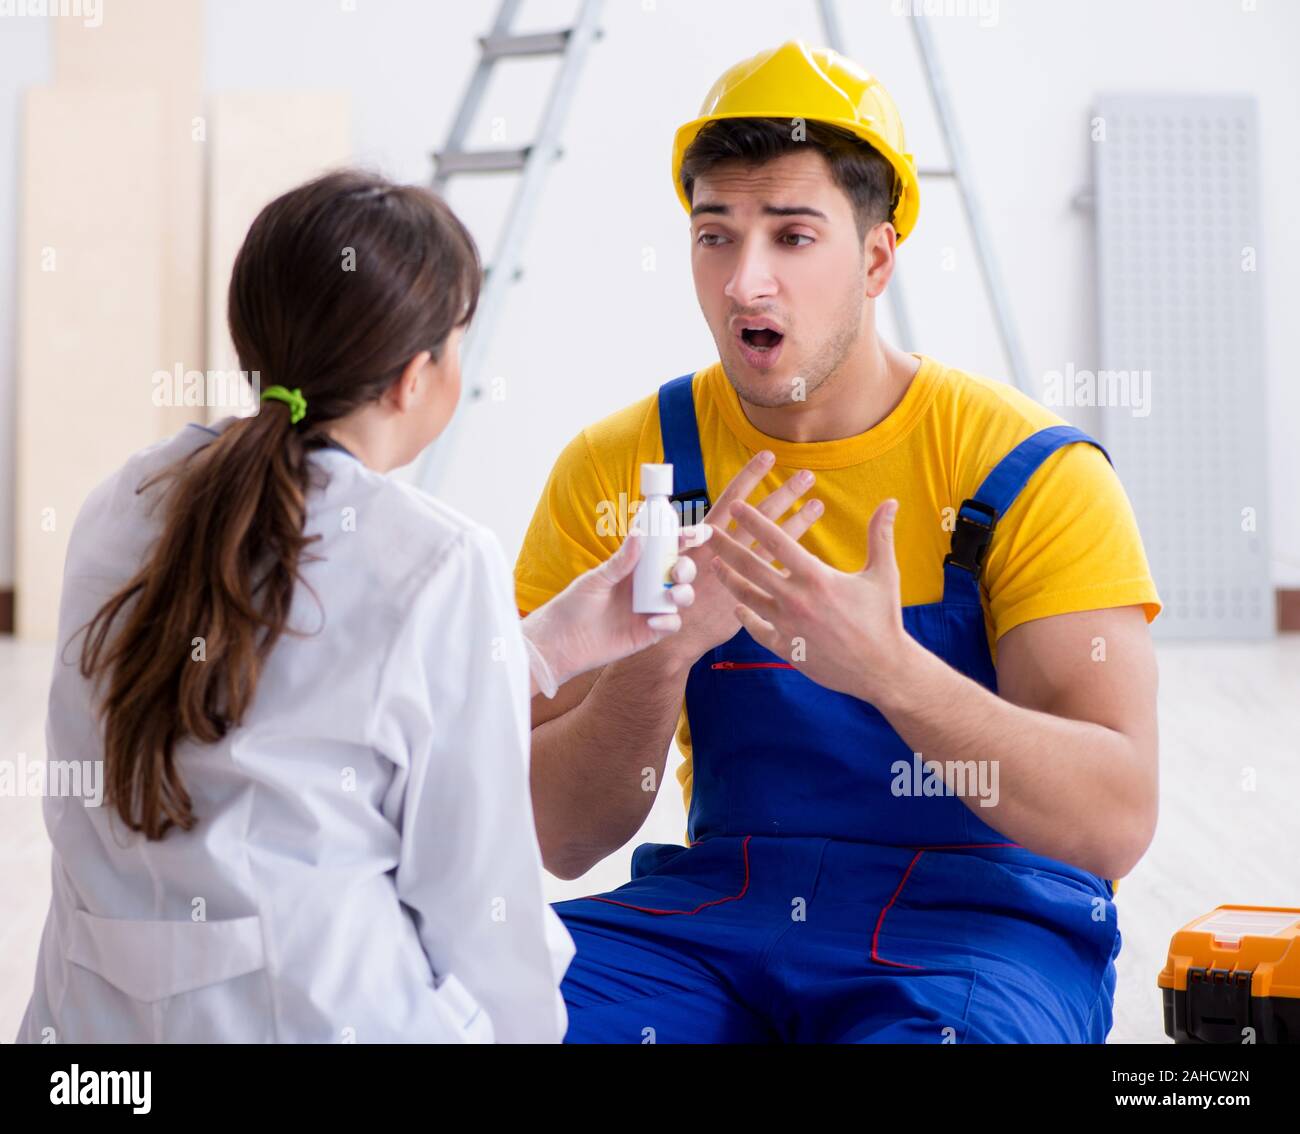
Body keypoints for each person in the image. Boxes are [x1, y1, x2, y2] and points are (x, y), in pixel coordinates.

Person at [515, 41, 1163, 1043]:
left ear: (874, 257)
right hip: (713, 915)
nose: (745, 283)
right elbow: (558, 839)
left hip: (981, 937)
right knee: (479, 1007)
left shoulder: (1023, 472)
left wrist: (890, 672)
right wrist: (659, 659)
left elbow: (1113, 821)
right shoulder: (621, 469)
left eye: (792, 236)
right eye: (716, 236)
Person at [16, 169, 703, 1044]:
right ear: (418, 376)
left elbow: (293, 716)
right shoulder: (434, 558)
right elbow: (482, 907)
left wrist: (535, 648)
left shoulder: (122, 500)